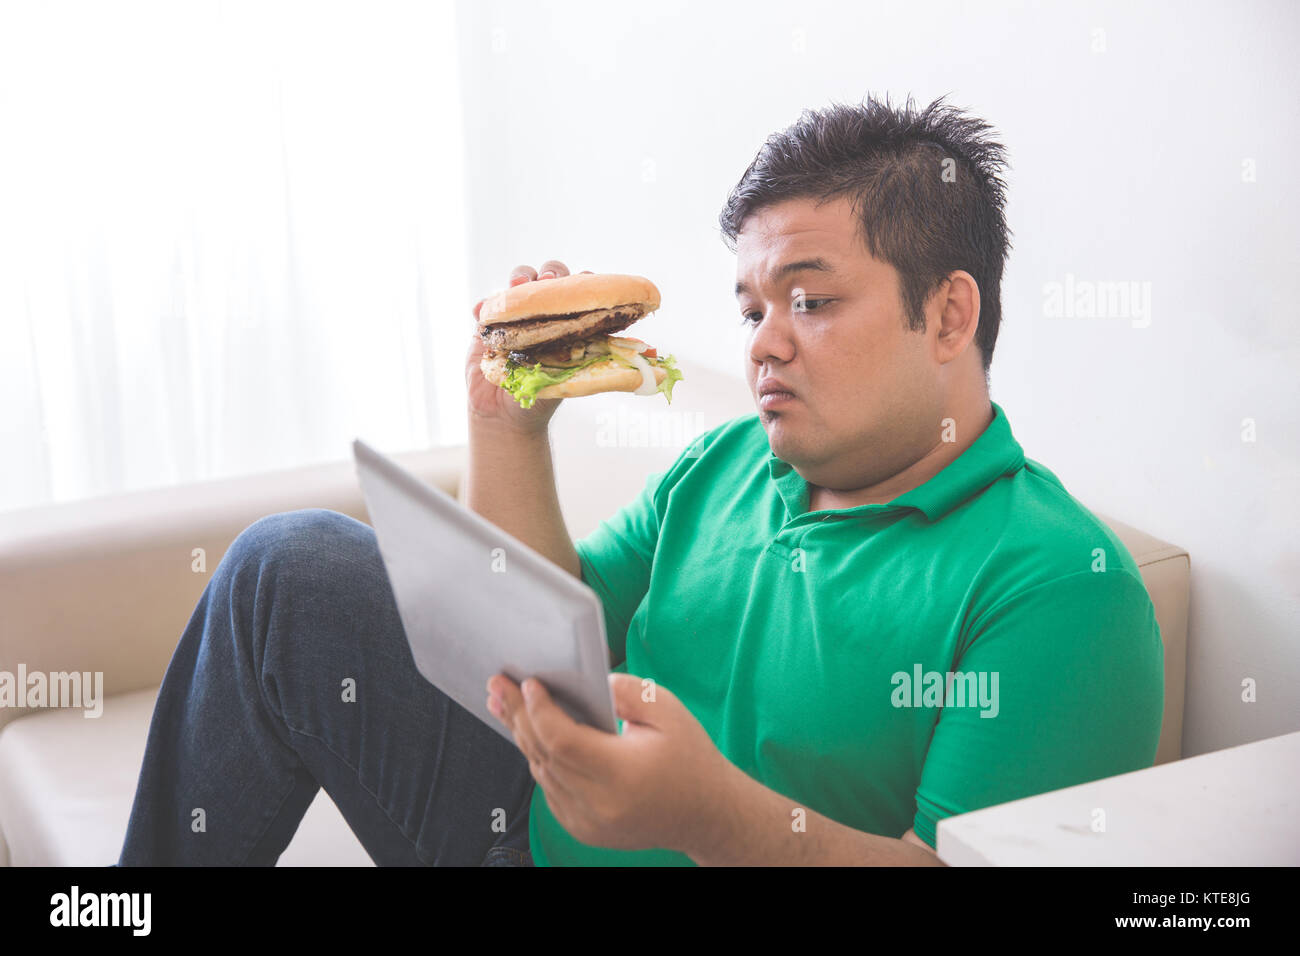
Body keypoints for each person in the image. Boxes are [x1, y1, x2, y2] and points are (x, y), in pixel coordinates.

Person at [118, 93, 1164, 867]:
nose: (763, 346)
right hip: (523, 828)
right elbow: (534, 631)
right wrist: (510, 425)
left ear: (946, 314)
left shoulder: (1061, 584)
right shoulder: (728, 463)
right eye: (752, 310)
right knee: (287, 568)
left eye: (809, 300)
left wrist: (715, 819)